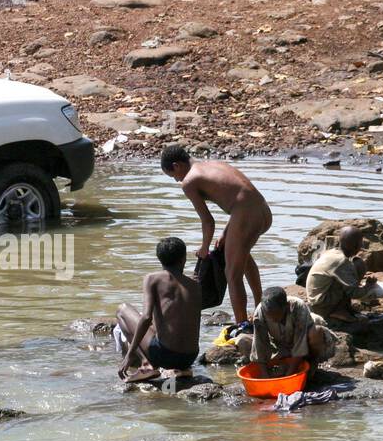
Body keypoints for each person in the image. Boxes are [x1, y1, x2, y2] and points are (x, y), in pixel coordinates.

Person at [160, 144, 272, 326]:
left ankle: (242, 326)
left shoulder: (189, 181)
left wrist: (204, 248)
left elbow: (207, 221)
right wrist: (226, 232)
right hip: (263, 211)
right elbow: (240, 196)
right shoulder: (212, 164)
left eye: (173, 176)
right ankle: (260, 307)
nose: (176, 180)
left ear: (177, 165)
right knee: (242, 258)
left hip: (246, 215)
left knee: (231, 273)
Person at [116, 236, 202, 383]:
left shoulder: (152, 278)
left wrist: (130, 353)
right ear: (184, 259)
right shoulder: (195, 285)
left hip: (165, 356)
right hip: (189, 357)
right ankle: (180, 370)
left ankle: (146, 364)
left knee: (122, 310)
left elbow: (146, 317)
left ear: (160, 259)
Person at [241, 286, 339, 380]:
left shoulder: (298, 307)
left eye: (276, 315)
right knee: (243, 341)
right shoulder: (261, 311)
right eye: (269, 316)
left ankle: (311, 363)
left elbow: (300, 343)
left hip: (305, 340)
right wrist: (265, 376)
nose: (273, 319)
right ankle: (293, 362)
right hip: (281, 342)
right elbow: (259, 343)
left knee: (315, 333)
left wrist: (289, 375)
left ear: (287, 306)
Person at [305, 226, 383, 324]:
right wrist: (369, 286)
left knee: (357, 264)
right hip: (321, 306)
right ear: (356, 246)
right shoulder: (341, 262)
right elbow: (354, 293)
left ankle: (344, 308)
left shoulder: (331, 252)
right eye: (360, 243)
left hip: (315, 299)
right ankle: (338, 311)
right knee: (357, 267)